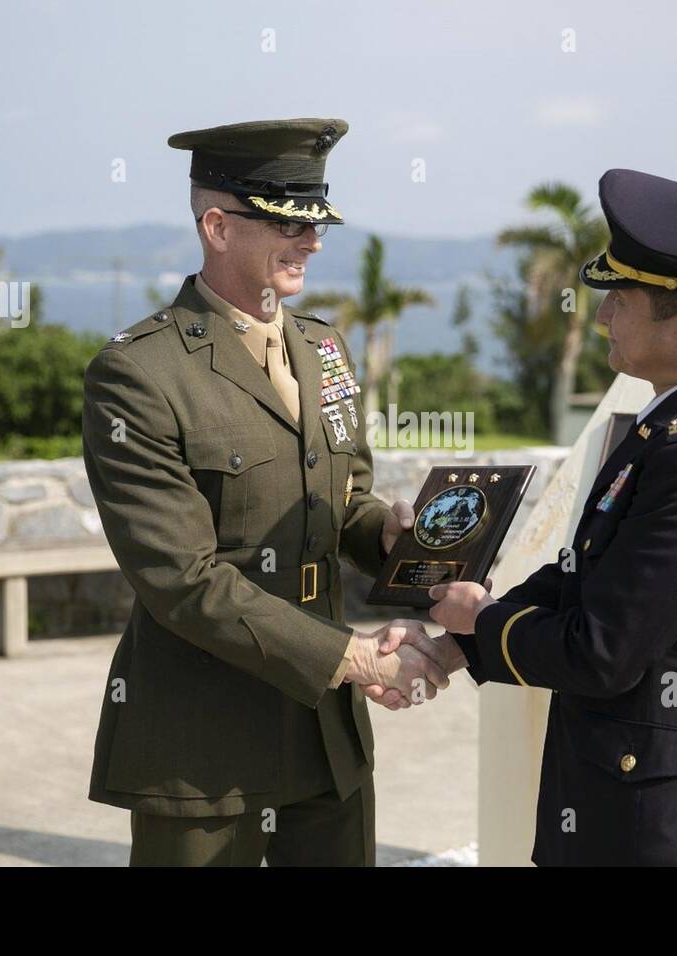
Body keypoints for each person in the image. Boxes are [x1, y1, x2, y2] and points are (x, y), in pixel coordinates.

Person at [409, 168, 677, 865]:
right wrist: (456, 643)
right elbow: (586, 576)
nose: (600, 318)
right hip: (643, 804)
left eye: (619, 300)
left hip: (666, 828)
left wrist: (480, 621)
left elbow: (600, 652)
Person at [82, 118, 447, 867]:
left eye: (315, 223)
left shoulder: (322, 347)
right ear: (217, 225)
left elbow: (346, 500)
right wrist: (356, 659)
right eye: (287, 221)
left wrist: (385, 533)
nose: (311, 241)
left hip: (324, 736)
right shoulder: (139, 375)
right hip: (205, 744)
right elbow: (182, 582)